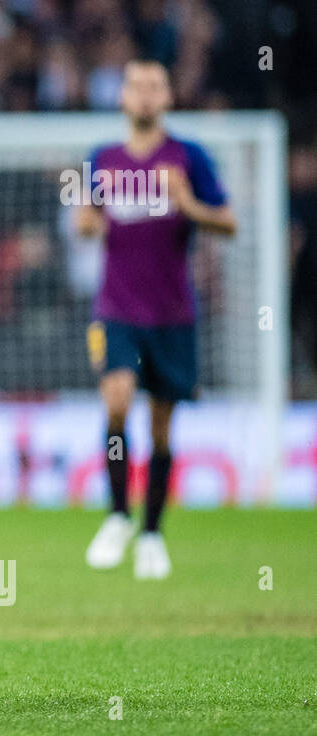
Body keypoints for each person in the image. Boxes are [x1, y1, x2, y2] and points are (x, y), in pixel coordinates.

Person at [76, 59, 236, 579]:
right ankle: (119, 515)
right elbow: (85, 222)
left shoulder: (188, 157)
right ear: (122, 97)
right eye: (136, 87)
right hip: (116, 310)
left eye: (154, 87)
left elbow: (229, 222)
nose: (145, 96)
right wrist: (85, 216)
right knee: (118, 403)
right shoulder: (102, 159)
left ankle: (151, 532)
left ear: (167, 97)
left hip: (171, 314)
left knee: (162, 429)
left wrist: (186, 202)